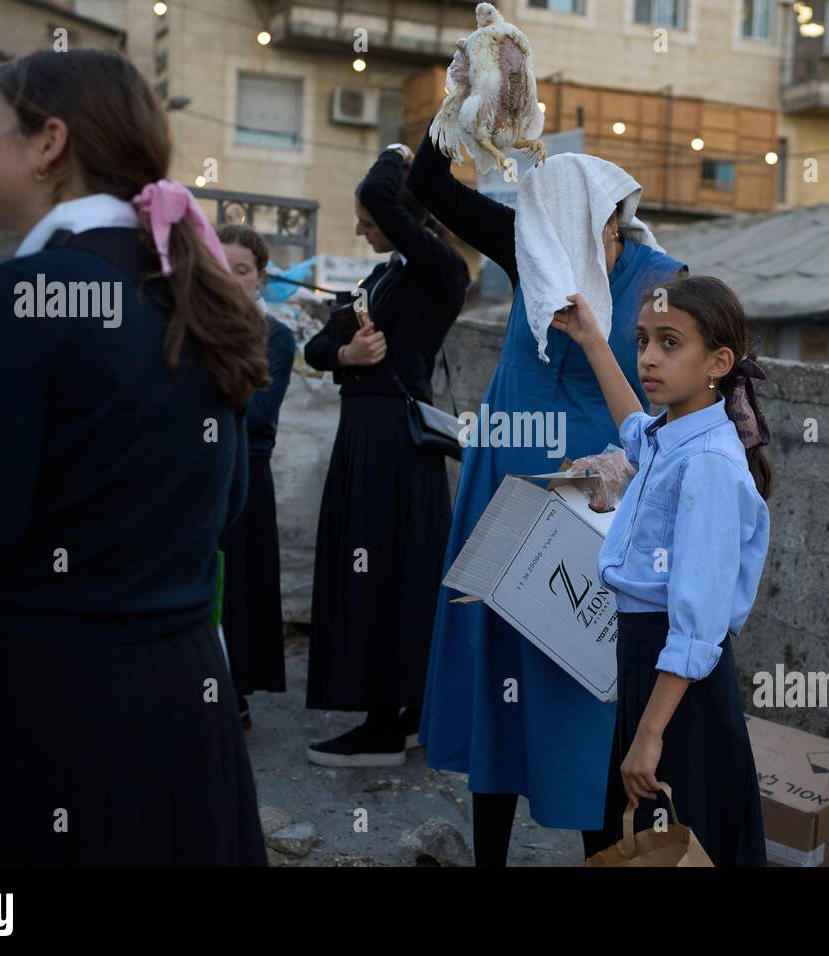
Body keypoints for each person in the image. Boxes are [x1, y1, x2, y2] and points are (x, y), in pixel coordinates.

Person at [0, 48, 268, 865]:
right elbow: (223, 508)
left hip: (42, 703)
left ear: (49, 144)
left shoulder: (22, 295)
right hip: (184, 695)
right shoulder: (197, 293)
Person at [406, 119, 688, 865]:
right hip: (507, 482)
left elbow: (686, 399)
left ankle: (605, 852)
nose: (550, 248)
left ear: (608, 221)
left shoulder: (666, 283)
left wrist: (636, 463)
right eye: (541, 233)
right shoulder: (528, 242)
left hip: (598, 498)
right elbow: (423, 186)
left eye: (569, 233)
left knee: (587, 679)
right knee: (496, 670)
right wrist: (460, 110)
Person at [551, 274, 772, 866]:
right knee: (644, 844)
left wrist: (649, 736)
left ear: (718, 362)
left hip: (679, 683)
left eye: (670, 343)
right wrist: (593, 340)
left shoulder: (708, 465)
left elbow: (697, 626)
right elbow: (634, 430)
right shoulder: (672, 434)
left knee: (674, 840)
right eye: (644, 340)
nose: (649, 357)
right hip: (648, 666)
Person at [302, 142, 469, 766]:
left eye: (368, 222)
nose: (359, 227)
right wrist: (346, 356)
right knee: (373, 573)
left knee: (388, 577)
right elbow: (321, 343)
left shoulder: (439, 268)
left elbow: (378, 193)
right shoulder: (386, 274)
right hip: (366, 438)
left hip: (395, 443)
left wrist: (397, 153)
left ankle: (386, 721)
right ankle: (399, 711)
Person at [217, 223, 297, 730]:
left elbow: (256, 413)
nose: (229, 280)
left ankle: (234, 697)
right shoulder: (187, 325)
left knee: (239, 589)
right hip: (195, 475)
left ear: (260, 277)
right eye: (219, 268)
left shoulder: (277, 338)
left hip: (244, 475)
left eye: (241, 270)